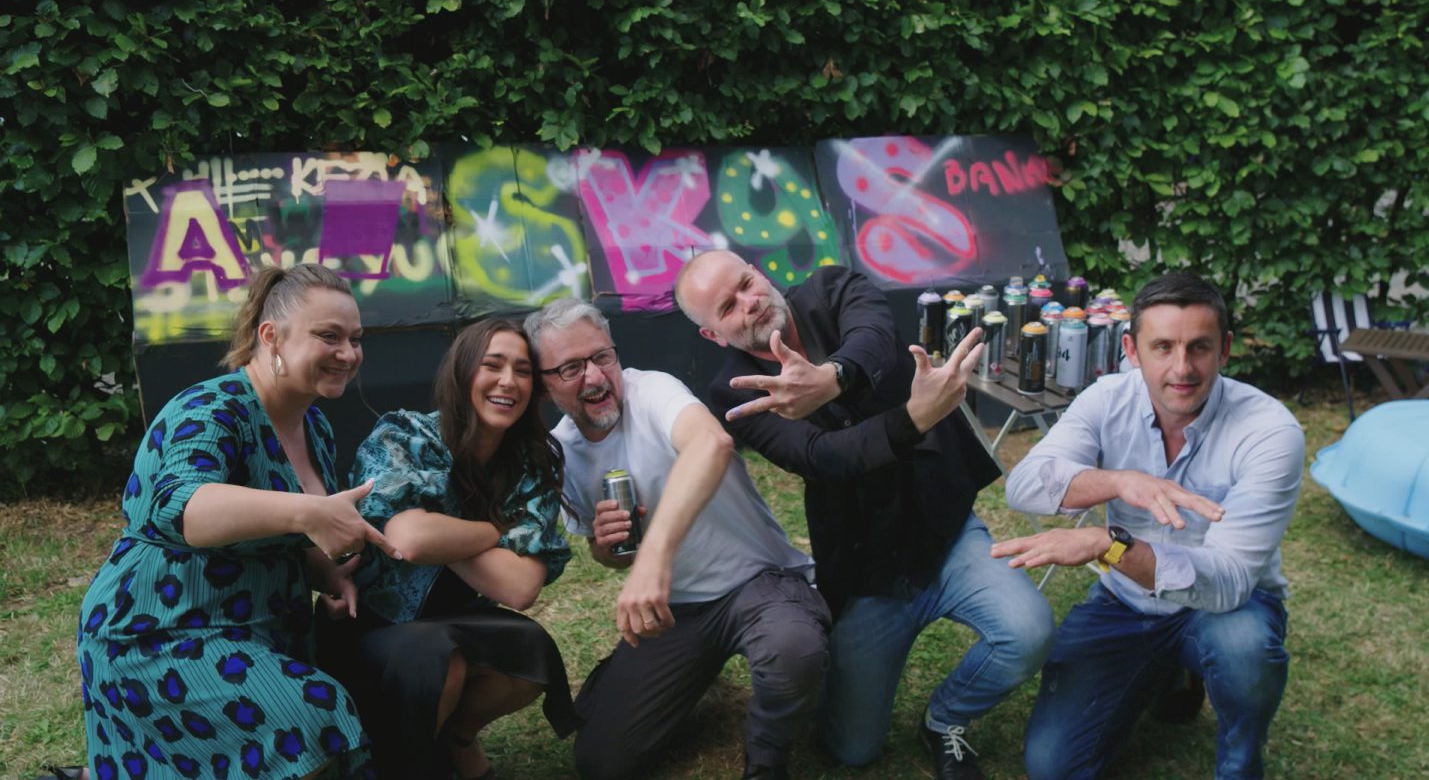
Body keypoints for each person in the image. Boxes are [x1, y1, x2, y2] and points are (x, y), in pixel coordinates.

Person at [674, 251, 1055, 780]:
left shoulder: (829, 288)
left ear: (760, 273)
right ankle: (835, 675)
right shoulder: (734, 391)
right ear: (713, 335)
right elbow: (822, 458)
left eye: (747, 283)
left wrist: (831, 378)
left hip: (942, 531)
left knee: (1029, 629)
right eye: (728, 307)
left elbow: (875, 337)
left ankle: (945, 719)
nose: (750, 302)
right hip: (865, 570)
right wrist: (915, 417)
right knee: (852, 749)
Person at [75, 263, 395, 780]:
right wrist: (306, 511)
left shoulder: (313, 424)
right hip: (159, 631)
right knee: (311, 717)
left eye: (355, 339)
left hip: (258, 630)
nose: (349, 353)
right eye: (328, 336)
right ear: (271, 337)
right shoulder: (210, 410)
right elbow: (183, 507)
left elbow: (276, 536)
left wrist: (327, 573)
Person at [992, 271, 1304, 779]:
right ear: (1133, 351)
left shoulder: (1269, 431)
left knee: (1245, 650)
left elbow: (1226, 583)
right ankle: (1169, 673)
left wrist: (1106, 544)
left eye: (1199, 347)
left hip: (1227, 609)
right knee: (1051, 767)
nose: (1182, 368)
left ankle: (1240, 763)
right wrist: (1118, 481)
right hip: (1128, 603)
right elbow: (1023, 485)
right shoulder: (1105, 399)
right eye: (1163, 347)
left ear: (1224, 349)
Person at [523, 298, 829, 780]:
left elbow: (711, 444)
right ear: (543, 385)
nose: (596, 377)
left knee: (794, 651)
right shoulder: (561, 454)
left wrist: (654, 560)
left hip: (758, 580)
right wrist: (607, 548)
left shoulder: (653, 391)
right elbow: (609, 558)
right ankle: (687, 677)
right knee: (601, 762)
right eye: (570, 368)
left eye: (602, 357)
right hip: (678, 610)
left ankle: (767, 757)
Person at [315, 318, 578, 779]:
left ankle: (453, 741)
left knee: (529, 649)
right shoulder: (403, 436)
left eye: (522, 371)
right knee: (436, 654)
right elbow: (409, 540)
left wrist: (442, 532)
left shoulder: (529, 466)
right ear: (461, 374)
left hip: (452, 619)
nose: (507, 382)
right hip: (367, 626)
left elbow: (519, 587)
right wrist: (494, 530)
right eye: (492, 366)